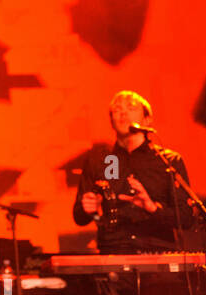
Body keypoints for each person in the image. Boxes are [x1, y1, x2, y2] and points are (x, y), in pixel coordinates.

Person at [72, 90, 193, 253]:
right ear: (111, 121)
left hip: (158, 252)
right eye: (117, 109)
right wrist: (89, 209)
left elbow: (186, 218)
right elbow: (79, 217)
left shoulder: (167, 160)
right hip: (114, 252)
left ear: (147, 119)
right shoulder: (103, 160)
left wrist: (152, 208)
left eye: (131, 108)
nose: (123, 113)